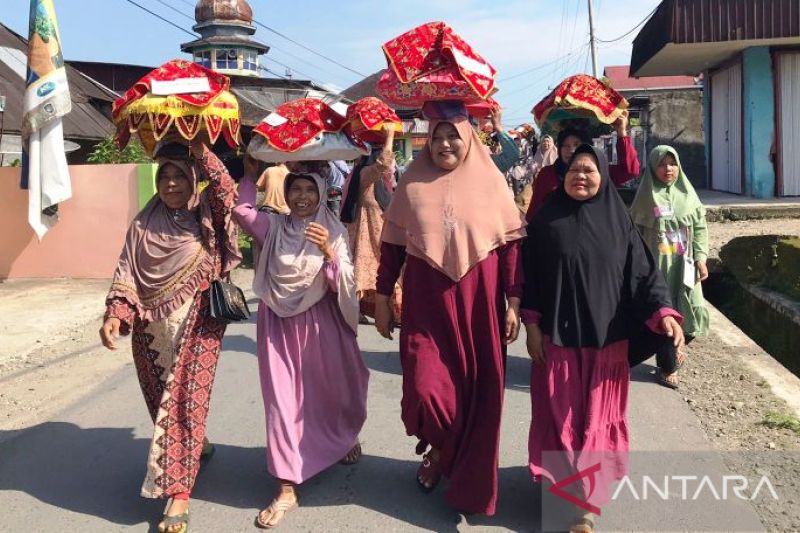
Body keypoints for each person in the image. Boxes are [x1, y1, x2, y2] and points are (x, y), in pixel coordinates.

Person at [374, 100, 526, 516]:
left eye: (452, 136)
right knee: (426, 391)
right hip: (427, 307)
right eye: (437, 136)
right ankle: (441, 448)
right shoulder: (411, 184)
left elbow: (511, 247)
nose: (444, 144)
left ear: (469, 140)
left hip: (480, 304)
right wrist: (383, 299)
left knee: (479, 396)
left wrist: (513, 302)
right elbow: (391, 248)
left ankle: (460, 475)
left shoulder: (493, 181)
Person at [522, 144, 683, 533]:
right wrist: (531, 325)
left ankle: (585, 508)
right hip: (558, 341)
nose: (582, 176)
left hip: (606, 343)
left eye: (590, 170)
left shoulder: (620, 222)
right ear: (562, 176)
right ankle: (564, 487)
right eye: (575, 169)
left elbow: (643, 275)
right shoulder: (545, 221)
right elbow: (530, 279)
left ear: (602, 178)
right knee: (562, 418)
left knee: (596, 419)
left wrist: (664, 314)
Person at [99, 141, 240, 533]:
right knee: (161, 397)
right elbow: (126, 269)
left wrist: (201, 150)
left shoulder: (204, 214)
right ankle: (197, 446)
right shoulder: (144, 222)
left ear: (193, 178)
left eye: (181, 175)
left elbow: (227, 189)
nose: (173, 183)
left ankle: (178, 494)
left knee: (182, 399)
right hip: (150, 327)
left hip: (198, 320)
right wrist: (115, 313)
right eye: (165, 176)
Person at [233, 157, 368, 529]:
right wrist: (247, 175)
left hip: (323, 327)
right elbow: (243, 212)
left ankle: (342, 439)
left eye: (310, 189)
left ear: (322, 193)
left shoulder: (334, 230)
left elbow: (345, 281)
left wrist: (328, 253)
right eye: (296, 189)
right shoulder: (273, 226)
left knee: (330, 393)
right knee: (282, 404)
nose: (303, 196)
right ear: (287, 193)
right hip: (278, 327)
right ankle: (287, 486)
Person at [630, 145, 709, 388]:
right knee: (663, 313)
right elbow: (633, 234)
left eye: (672, 163)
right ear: (653, 167)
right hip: (658, 268)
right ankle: (668, 365)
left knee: (689, 312)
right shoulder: (645, 196)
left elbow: (699, 229)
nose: (668, 169)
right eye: (662, 164)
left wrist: (701, 258)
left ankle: (673, 354)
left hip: (683, 266)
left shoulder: (688, 194)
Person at [525, 113, 640, 221]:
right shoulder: (547, 174)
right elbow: (534, 213)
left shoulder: (598, 172)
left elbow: (629, 170)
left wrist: (621, 132)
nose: (571, 150)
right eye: (565, 145)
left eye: (576, 145)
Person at [340, 126, 402, 323]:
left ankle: (383, 308)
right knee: (373, 263)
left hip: (374, 222)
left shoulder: (364, 174)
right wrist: (389, 136)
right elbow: (384, 164)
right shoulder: (366, 172)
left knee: (377, 263)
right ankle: (358, 309)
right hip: (369, 225)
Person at [514, 134, 557, 214]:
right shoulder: (537, 154)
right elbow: (532, 169)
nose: (546, 143)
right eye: (544, 141)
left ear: (552, 143)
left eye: (548, 141)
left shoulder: (556, 154)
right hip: (538, 184)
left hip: (552, 185)